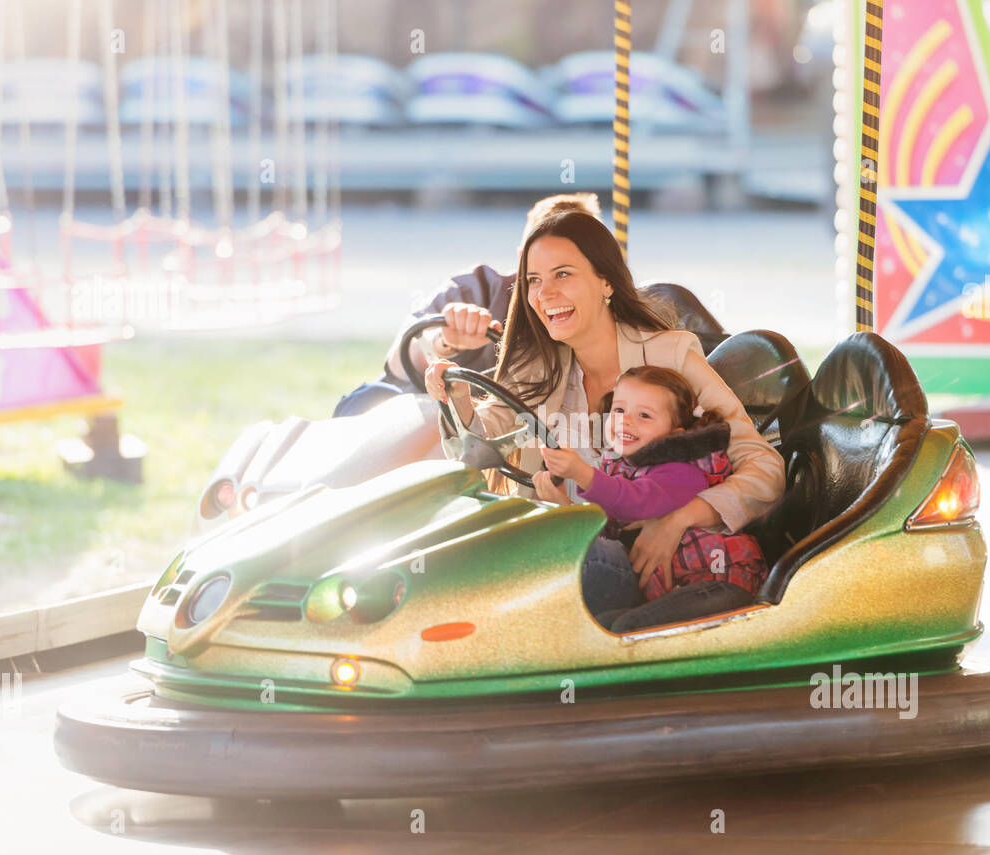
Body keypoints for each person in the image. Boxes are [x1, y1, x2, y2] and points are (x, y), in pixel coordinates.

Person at [424, 210, 785, 626]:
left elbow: (765, 468)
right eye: (534, 281)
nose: (544, 294)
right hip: (581, 550)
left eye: (563, 274)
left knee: (552, 559)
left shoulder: (669, 357)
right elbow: (484, 440)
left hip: (665, 567)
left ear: (606, 282)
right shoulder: (538, 369)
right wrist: (457, 394)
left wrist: (678, 520)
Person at [534, 365, 768, 632]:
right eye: (619, 410)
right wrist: (562, 502)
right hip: (673, 591)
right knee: (603, 627)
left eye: (644, 415)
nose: (625, 421)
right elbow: (606, 529)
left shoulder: (683, 469)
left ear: (675, 433)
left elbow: (636, 502)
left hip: (720, 585)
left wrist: (581, 473)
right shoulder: (620, 465)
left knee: (628, 628)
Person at [332, 193, 602, 417]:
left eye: (565, 271)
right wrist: (444, 341)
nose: (548, 289)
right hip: (423, 414)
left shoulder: (604, 325)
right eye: (537, 265)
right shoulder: (474, 290)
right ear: (521, 257)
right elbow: (399, 364)